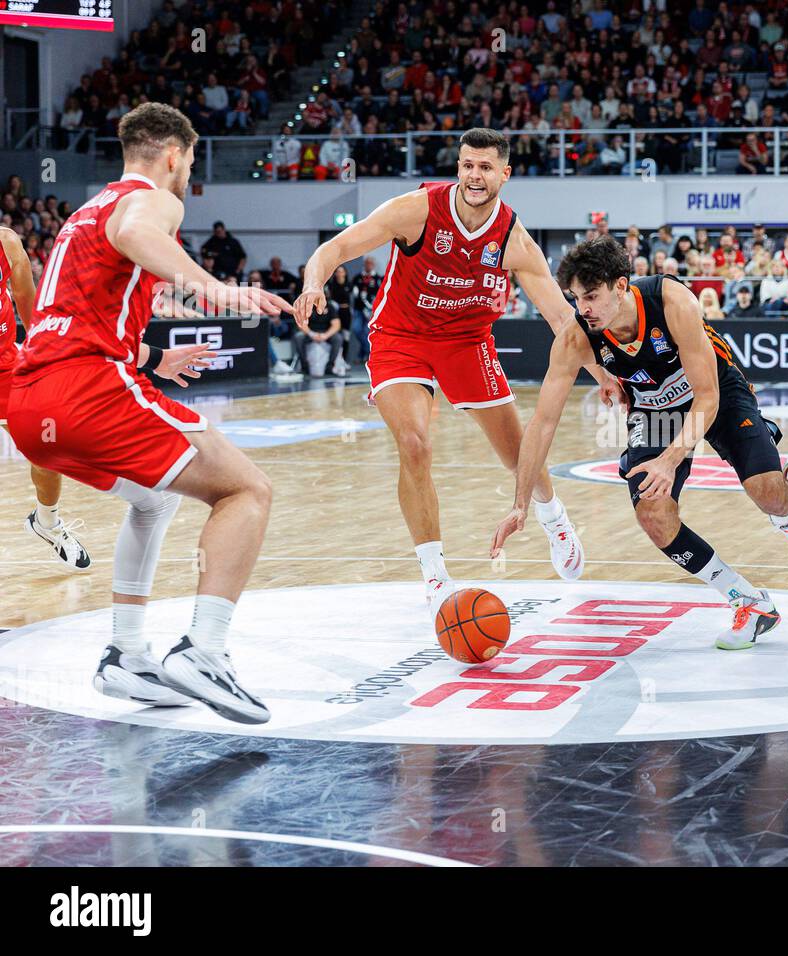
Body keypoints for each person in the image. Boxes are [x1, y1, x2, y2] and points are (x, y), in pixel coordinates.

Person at [7, 103, 293, 724]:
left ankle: (127, 656)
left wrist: (154, 355)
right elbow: (139, 234)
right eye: (189, 162)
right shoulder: (152, 200)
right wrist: (215, 288)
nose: (188, 173)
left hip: (31, 402)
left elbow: (69, 323)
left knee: (154, 500)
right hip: (87, 391)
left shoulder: (85, 210)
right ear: (172, 155)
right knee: (247, 489)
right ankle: (205, 651)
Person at [294, 128, 609, 619]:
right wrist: (313, 283)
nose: (474, 176)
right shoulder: (415, 210)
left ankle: (554, 516)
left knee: (515, 451)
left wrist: (604, 373)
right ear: (458, 167)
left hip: (467, 343)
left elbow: (560, 320)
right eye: (467, 165)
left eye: (485, 167)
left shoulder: (513, 240)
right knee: (415, 444)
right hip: (402, 338)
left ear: (504, 173)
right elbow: (336, 247)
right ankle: (436, 575)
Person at [491, 237, 788, 650]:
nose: (583, 309)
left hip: (715, 392)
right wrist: (520, 502)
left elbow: (707, 397)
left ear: (621, 286)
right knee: (653, 515)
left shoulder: (673, 301)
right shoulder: (576, 337)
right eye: (577, 298)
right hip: (655, 411)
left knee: (770, 495)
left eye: (592, 296)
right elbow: (543, 423)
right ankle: (746, 598)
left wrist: (671, 459)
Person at [0, 225, 92, 569]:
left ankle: (47, 523)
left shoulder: (7, 244)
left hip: (7, 372)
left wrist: (46, 355)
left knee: (48, 455)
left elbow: (26, 301)